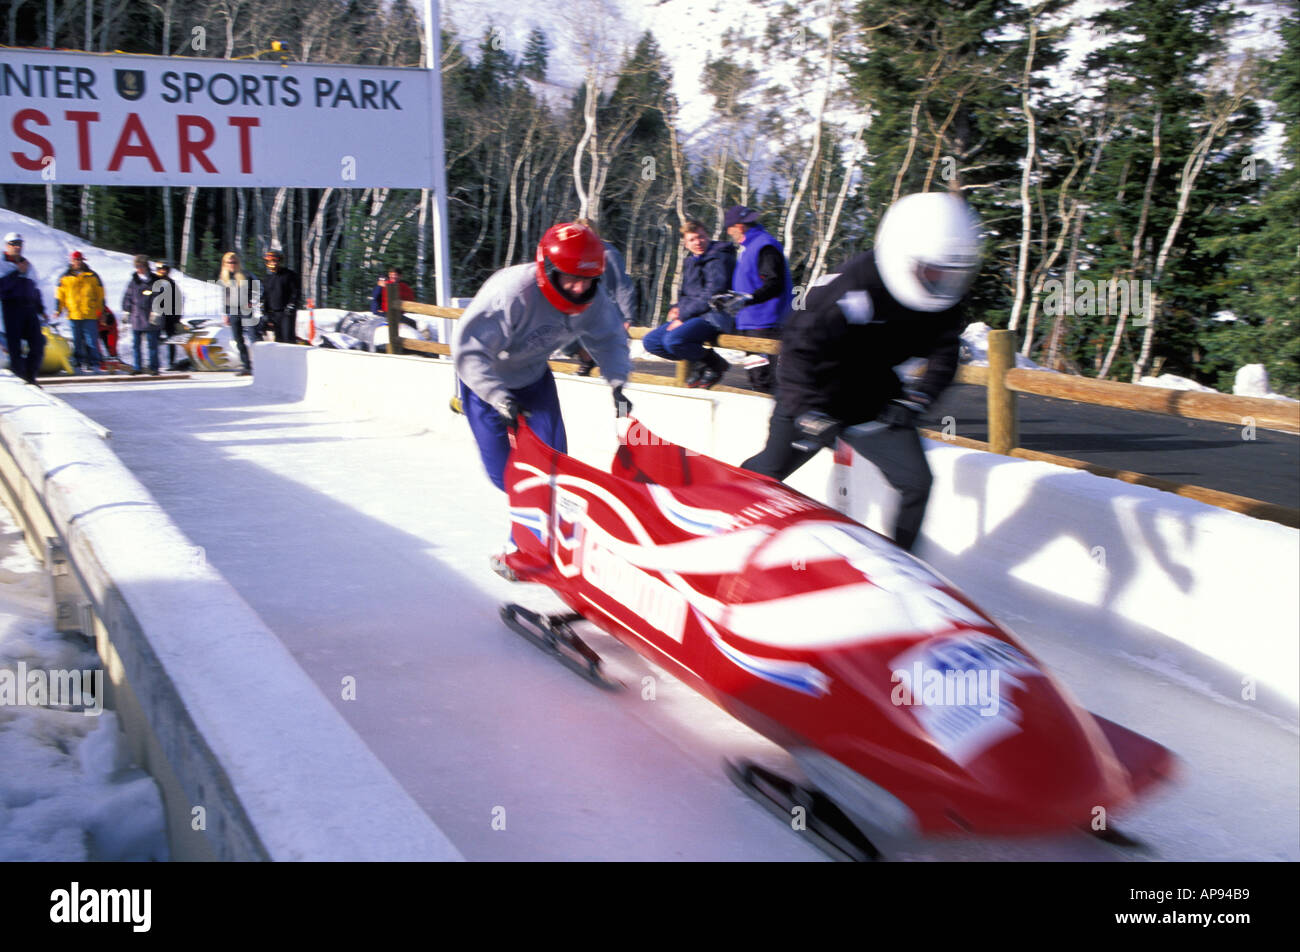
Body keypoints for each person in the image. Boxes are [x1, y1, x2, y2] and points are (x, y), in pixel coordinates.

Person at [741, 191, 983, 552]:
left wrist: (919, 398)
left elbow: (945, 353)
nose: (943, 283)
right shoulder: (852, 287)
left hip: (872, 398)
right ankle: (728, 513)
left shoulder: (944, 301)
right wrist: (807, 411)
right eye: (933, 273)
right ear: (904, 257)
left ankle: (901, 562)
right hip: (813, 394)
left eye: (953, 276)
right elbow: (796, 351)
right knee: (770, 471)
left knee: (916, 481)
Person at [453, 221, 632, 504]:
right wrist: (499, 399)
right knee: (505, 476)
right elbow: (469, 351)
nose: (579, 288)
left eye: (587, 280)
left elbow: (610, 339)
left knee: (552, 472)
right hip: (486, 387)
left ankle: (539, 543)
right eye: (570, 278)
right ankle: (529, 536)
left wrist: (618, 384)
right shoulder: (511, 293)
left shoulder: (593, 298)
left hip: (534, 381)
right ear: (548, 269)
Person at [640, 220, 736, 388]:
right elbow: (685, 292)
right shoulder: (691, 261)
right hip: (693, 315)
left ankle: (713, 363)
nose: (698, 242)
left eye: (701, 237)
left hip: (714, 315)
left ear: (707, 236)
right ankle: (701, 362)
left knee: (673, 340)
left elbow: (713, 294)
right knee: (652, 341)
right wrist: (677, 309)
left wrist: (683, 316)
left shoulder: (719, 257)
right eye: (692, 239)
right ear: (686, 243)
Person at [710, 205, 793, 394]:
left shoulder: (764, 246)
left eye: (729, 230)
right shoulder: (749, 248)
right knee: (758, 378)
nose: (730, 234)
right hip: (753, 323)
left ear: (738, 227)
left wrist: (748, 299)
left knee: (764, 379)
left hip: (766, 324)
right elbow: (750, 284)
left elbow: (774, 283)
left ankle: (777, 420)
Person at [0, 232, 46, 385]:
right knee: (14, 347)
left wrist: (41, 309)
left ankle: (30, 376)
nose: (17, 247)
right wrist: (17, 273)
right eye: (13, 244)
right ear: (7, 246)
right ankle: (21, 378)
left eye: (19, 244)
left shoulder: (28, 264)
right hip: (10, 308)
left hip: (29, 308)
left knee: (38, 343)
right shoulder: (2, 263)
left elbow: (35, 288)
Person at [55, 250, 105, 374]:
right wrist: (58, 309)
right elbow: (60, 295)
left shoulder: (93, 276)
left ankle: (94, 363)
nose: (78, 262)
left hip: (89, 313)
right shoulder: (64, 277)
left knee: (91, 340)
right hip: (73, 313)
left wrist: (102, 311)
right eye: (76, 260)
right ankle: (78, 362)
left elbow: (100, 295)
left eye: (80, 260)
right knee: (77, 341)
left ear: (83, 261)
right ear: (71, 261)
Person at [218, 251, 256, 375]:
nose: (232, 264)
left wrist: (252, 301)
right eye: (229, 262)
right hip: (233, 310)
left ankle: (261, 363)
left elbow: (257, 288)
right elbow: (225, 297)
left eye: (234, 262)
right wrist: (225, 313)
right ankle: (246, 365)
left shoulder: (245, 275)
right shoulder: (224, 278)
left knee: (253, 337)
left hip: (246, 308)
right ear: (225, 263)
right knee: (238, 339)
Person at [122, 254, 160, 374]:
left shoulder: (155, 280)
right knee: (136, 345)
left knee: (152, 345)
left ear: (146, 266)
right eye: (137, 266)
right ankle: (137, 367)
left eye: (141, 266)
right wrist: (126, 311)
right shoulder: (134, 281)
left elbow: (159, 297)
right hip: (137, 317)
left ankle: (153, 367)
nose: (139, 269)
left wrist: (156, 312)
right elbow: (128, 297)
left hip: (150, 318)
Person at [261, 249, 301, 343]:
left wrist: (292, 305)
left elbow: (296, 292)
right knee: (278, 340)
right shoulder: (267, 278)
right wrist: (265, 312)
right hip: (274, 314)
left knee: (288, 338)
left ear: (279, 261)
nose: (272, 263)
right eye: (270, 261)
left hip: (287, 312)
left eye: (274, 260)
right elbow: (265, 296)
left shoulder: (289, 275)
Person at [151, 261, 183, 369]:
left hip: (170, 316)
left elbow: (178, 301)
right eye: (160, 269)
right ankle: (154, 363)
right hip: (157, 315)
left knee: (171, 340)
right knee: (154, 339)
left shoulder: (172, 284)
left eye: (164, 269)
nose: (162, 271)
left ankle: (171, 362)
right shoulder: (153, 283)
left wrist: (177, 317)